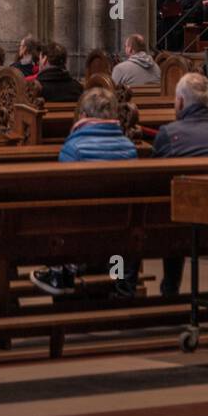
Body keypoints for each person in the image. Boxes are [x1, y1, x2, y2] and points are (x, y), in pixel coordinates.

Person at [29, 88, 138, 297]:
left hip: (81, 236)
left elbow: (62, 199)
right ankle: (121, 283)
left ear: (83, 116)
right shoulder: (128, 148)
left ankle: (61, 274)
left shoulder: (74, 148)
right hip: (120, 230)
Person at [151, 73, 208, 298]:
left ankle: (165, 289)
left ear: (180, 101)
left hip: (179, 224)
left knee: (168, 211)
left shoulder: (169, 134)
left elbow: (153, 179)